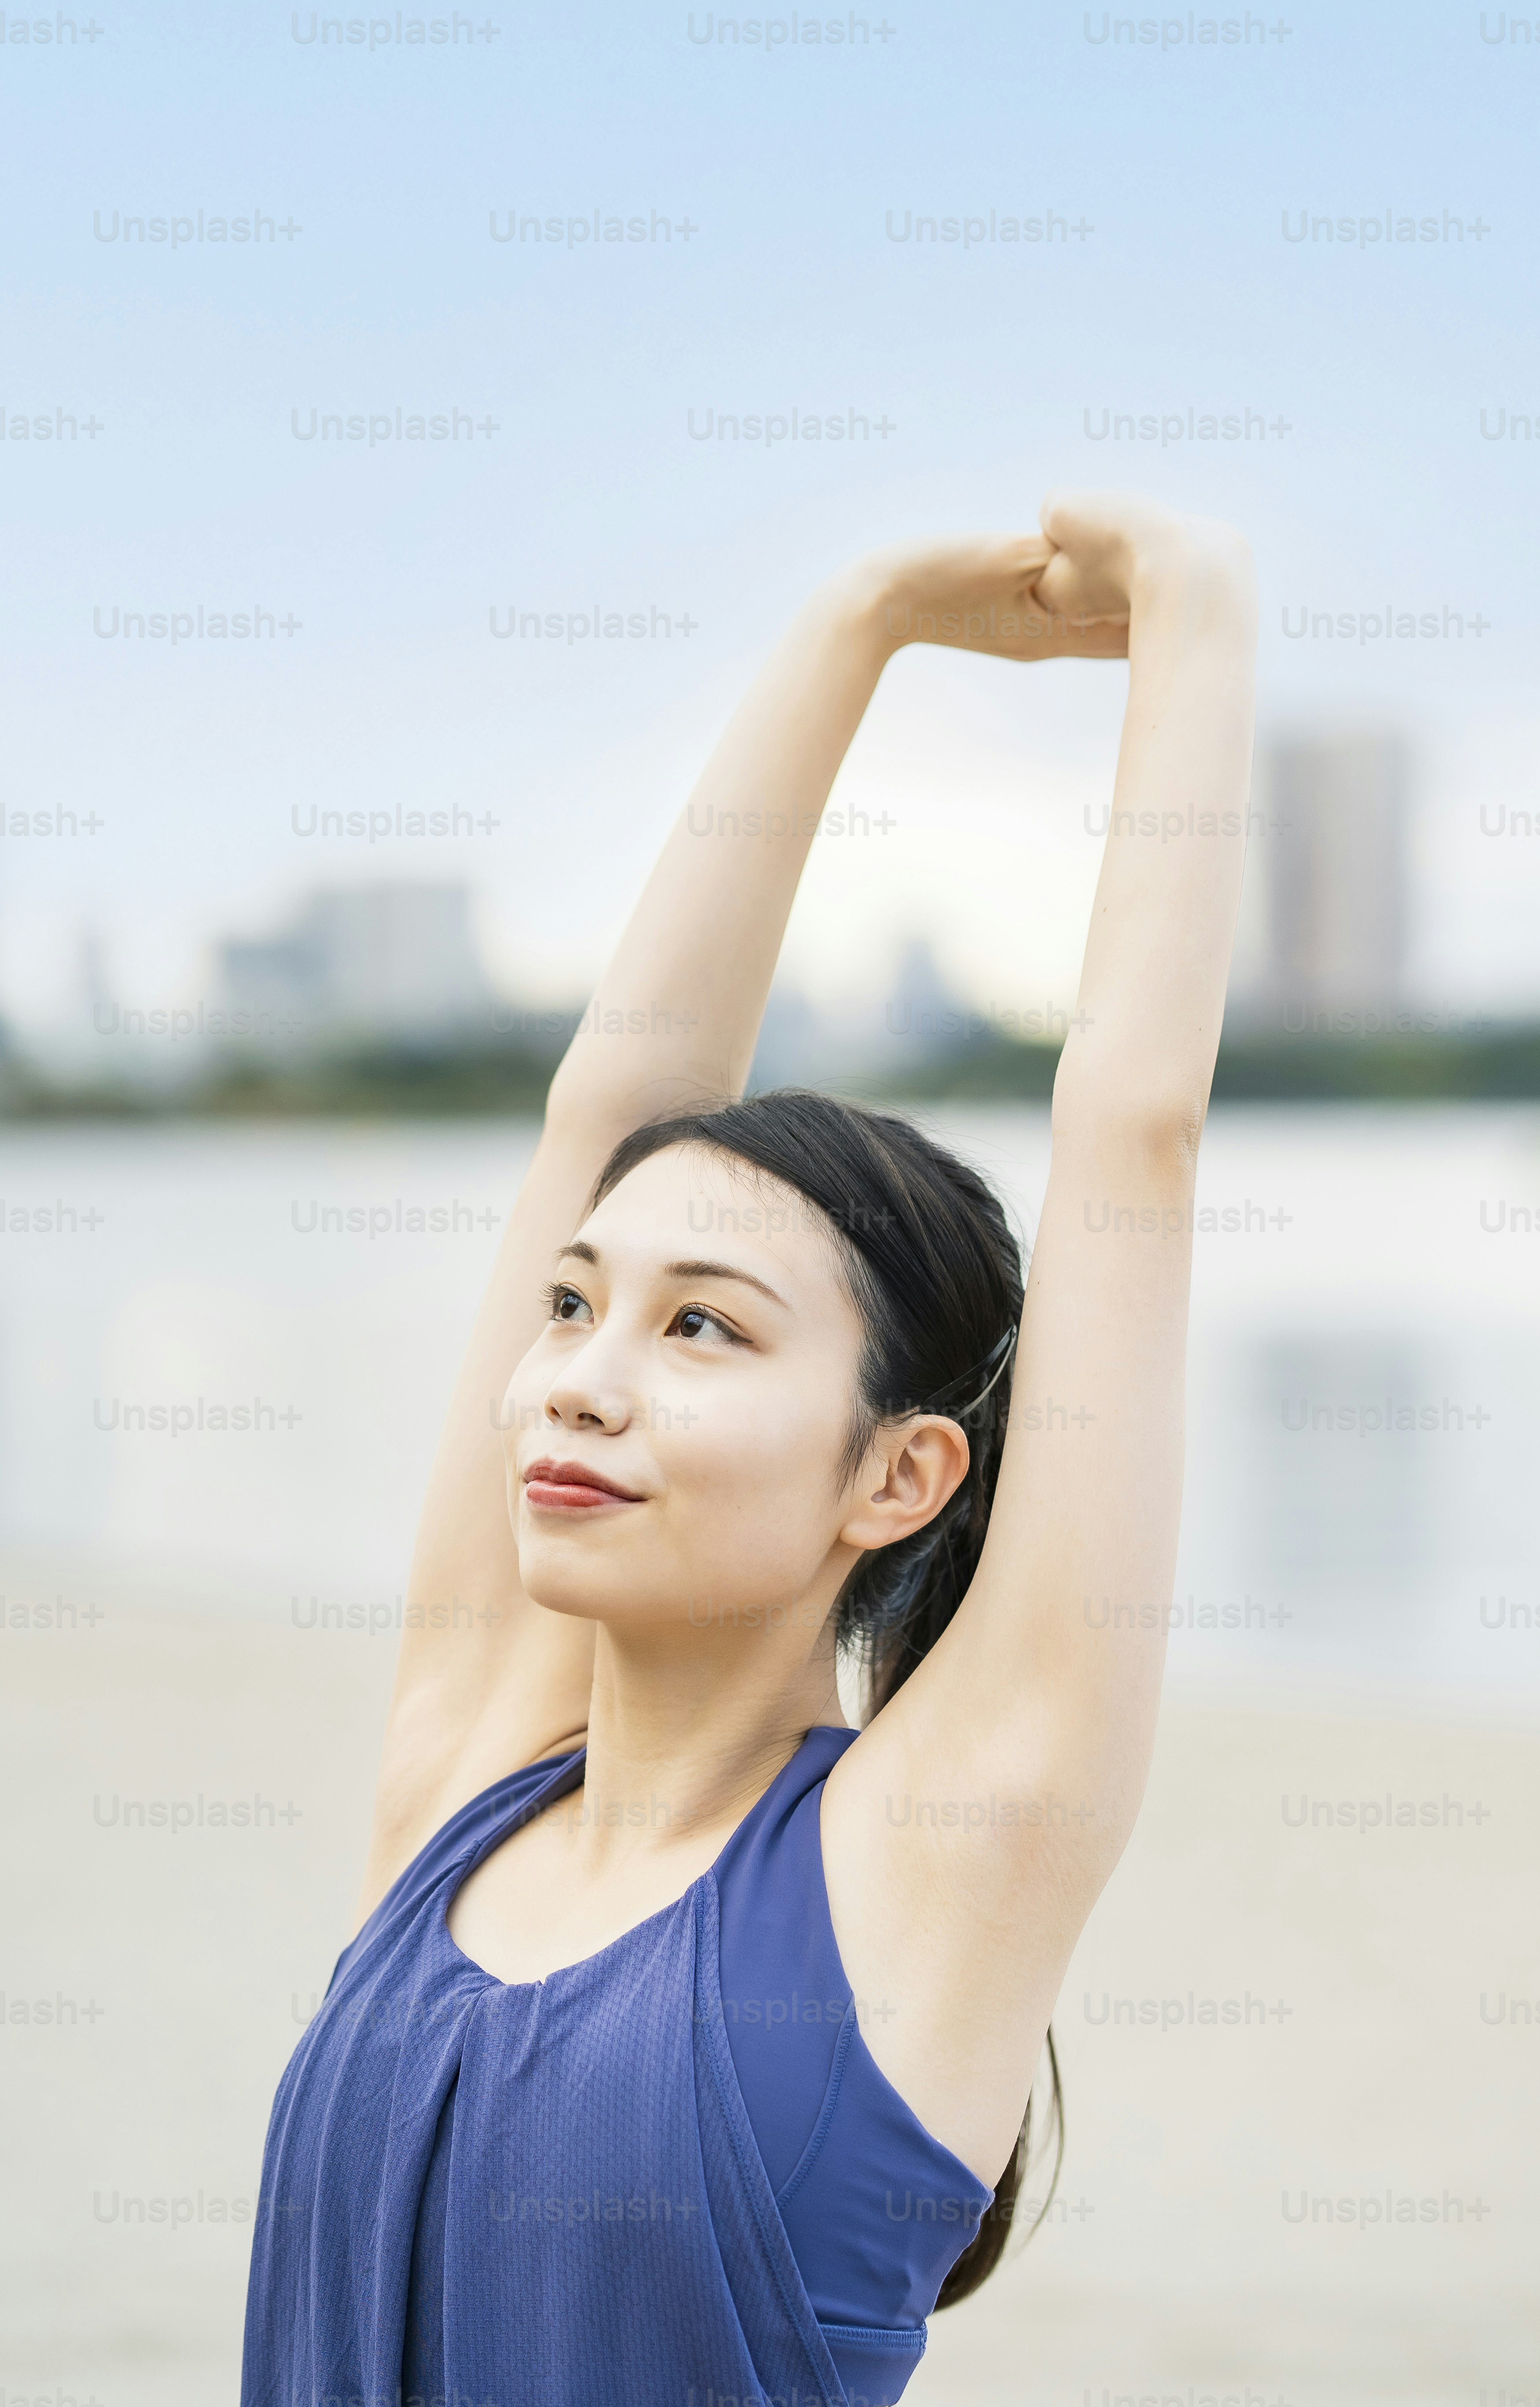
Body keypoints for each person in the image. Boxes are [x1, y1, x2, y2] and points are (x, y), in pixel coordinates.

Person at [241, 490, 1257, 2407]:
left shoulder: (930, 1867)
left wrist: (1193, 615)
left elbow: (1136, 1134)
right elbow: (611, 1104)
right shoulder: (471, 1782)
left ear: (902, 1478)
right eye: (571, 1307)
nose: (578, 1380)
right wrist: (852, 622)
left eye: (701, 1326)